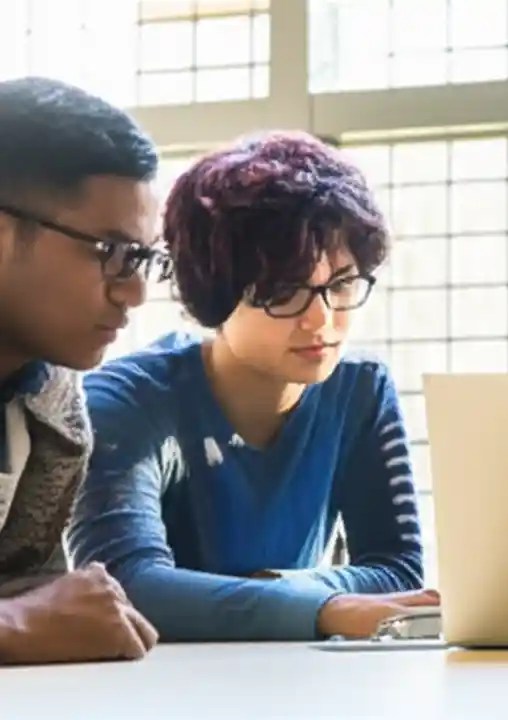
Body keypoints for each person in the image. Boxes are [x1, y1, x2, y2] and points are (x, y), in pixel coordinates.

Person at [67, 132, 435, 643]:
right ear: (213, 293)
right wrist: (325, 609)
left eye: (342, 285)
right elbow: (124, 587)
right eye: (284, 292)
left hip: (297, 677)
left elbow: (398, 571)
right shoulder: (126, 402)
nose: (320, 319)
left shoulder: (359, 391)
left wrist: (282, 591)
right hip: (154, 686)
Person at [0, 77, 167, 665]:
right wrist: (14, 624)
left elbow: (27, 593)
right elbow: (22, 614)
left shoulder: (55, 402)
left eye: (146, 258)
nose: (136, 291)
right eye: (111, 252)